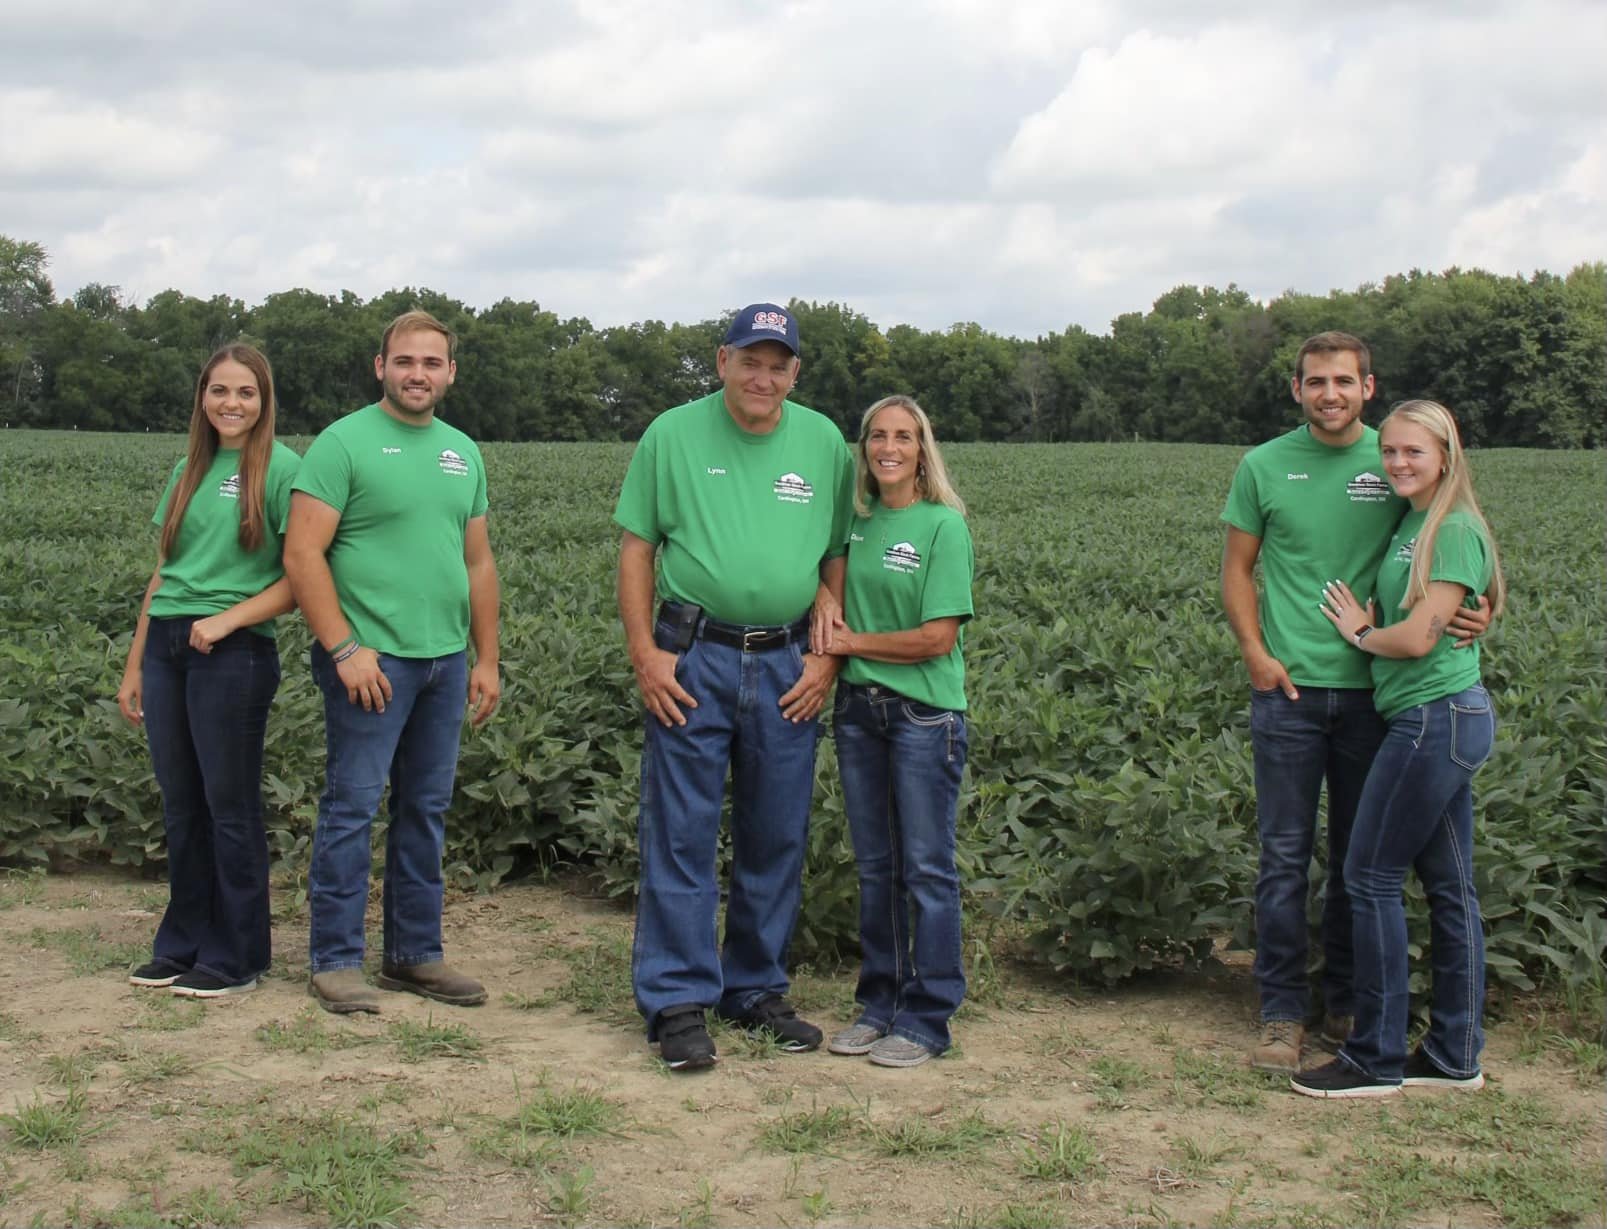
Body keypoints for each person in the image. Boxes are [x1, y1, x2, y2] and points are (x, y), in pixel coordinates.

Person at [1221, 332, 1488, 1073]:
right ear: (1297, 388)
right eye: (1315, 381)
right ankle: (1280, 1010)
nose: (1329, 393)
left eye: (1343, 380)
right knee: (1282, 855)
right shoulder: (1262, 465)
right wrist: (1255, 653)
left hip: (1380, 697)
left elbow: (1456, 544)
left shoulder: (1396, 454)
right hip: (1288, 691)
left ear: (1367, 386)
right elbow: (1237, 569)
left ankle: (1345, 1001)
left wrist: (1480, 607)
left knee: (1355, 859)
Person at [613, 302, 854, 1070]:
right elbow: (635, 548)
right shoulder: (671, 434)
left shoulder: (821, 442)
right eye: (749, 360)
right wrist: (645, 654)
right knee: (680, 833)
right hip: (694, 656)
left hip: (788, 662)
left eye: (777, 364)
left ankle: (753, 987)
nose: (763, 376)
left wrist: (827, 656)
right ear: (721, 362)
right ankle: (677, 1000)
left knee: (775, 832)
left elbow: (835, 553)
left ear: (794, 373)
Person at [284, 309, 501, 1015]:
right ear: (381, 367)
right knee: (352, 806)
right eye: (404, 361)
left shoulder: (461, 452)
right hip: (371, 664)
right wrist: (343, 648)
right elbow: (302, 553)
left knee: (425, 809)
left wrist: (486, 656)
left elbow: (476, 560)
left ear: (450, 373)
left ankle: (414, 954)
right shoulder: (343, 443)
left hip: (442, 661)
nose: (418, 374)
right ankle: (336, 959)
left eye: (431, 363)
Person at [1293, 400, 1504, 1097]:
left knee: (1371, 875)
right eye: (1388, 452)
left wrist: (1359, 632)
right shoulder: (1415, 523)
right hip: (1434, 716)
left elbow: (1417, 639)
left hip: (1432, 717)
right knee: (1448, 886)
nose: (1397, 464)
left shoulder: (1453, 528)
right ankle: (1452, 1052)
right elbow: (1439, 614)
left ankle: (1373, 1054)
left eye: (1412, 452)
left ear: (1445, 453)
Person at [117, 343, 301, 998]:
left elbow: (302, 576)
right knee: (182, 802)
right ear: (202, 397)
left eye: (245, 392)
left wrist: (227, 620)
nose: (232, 403)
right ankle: (184, 942)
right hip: (168, 646)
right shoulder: (187, 469)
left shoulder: (281, 469)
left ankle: (237, 954)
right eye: (220, 390)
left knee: (229, 806)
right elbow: (164, 572)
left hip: (234, 652)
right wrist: (137, 662)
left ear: (264, 400)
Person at [817, 395, 973, 1069]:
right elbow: (828, 585)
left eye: (903, 436)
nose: (889, 446)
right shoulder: (854, 523)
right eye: (876, 435)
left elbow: (937, 638)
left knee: (927, 868)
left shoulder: (943, 526)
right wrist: (826, 599)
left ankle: (927, 1014)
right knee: (876, 867)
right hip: (858, 712)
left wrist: (853, 643)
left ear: (921, 448)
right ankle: (878, 1002)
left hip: (921, 717)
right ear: (863, 447)